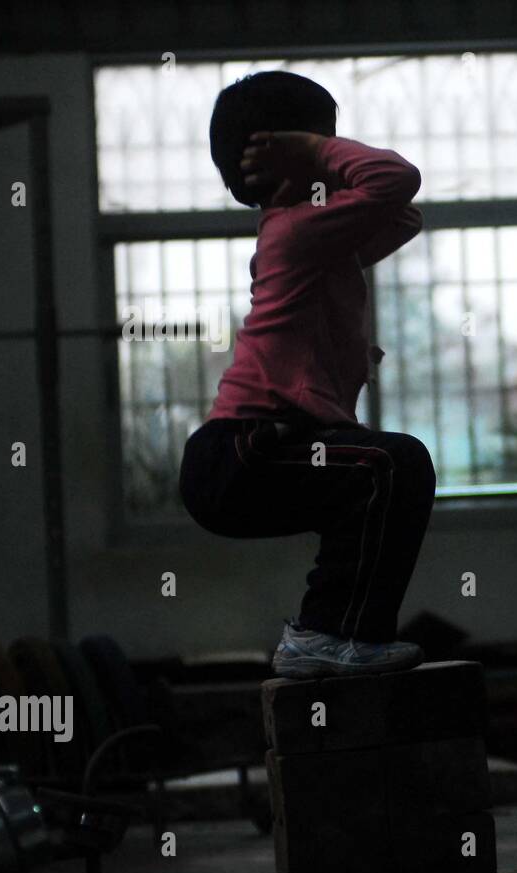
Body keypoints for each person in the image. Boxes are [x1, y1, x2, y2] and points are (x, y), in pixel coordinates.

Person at [178, 70, 435, 679]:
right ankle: (326, 635)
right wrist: (318, 155)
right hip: (244, 452)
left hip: (268, 448)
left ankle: (343, 640)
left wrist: (316, 160)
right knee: (391, 466)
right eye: (324, 139)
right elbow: (396, 180)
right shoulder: (297, 231)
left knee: (379, 482)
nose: (335, 152)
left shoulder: (310, 234)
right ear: (283, 151)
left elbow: (403, 216)